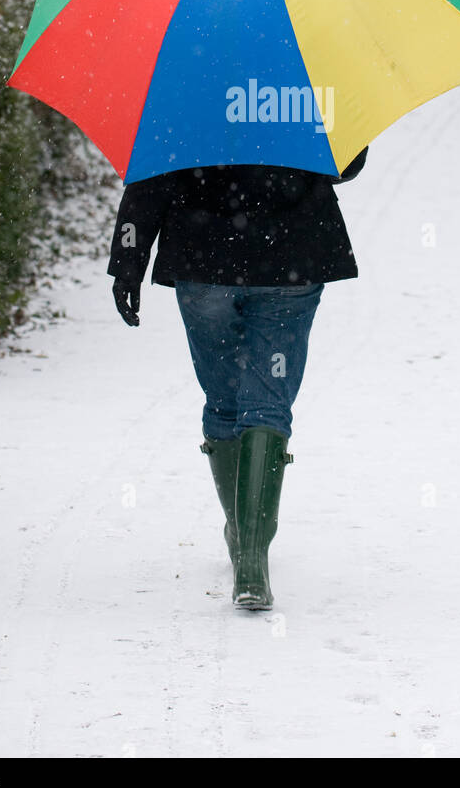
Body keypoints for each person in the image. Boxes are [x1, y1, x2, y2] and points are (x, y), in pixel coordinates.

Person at [107, 146, 368, 611]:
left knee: (225, 400)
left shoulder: (181, 85)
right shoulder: (304, 84)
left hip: (204, 262)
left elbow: (151, 177)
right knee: (268, 405)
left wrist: (128, 261)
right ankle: (252, 558)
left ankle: (241, 534)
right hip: (292, 259)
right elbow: (344, 164)